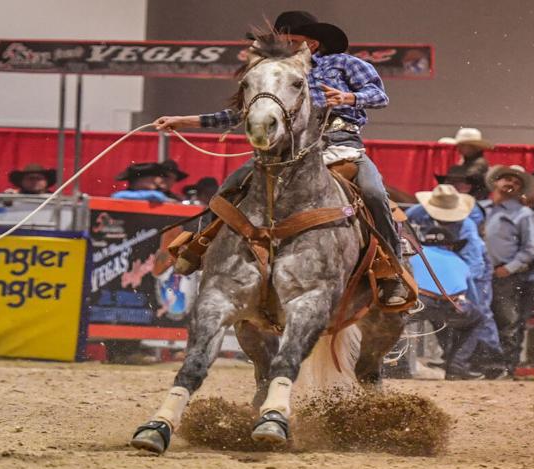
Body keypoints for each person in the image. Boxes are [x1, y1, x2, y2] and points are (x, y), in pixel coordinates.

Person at [153, 11, 412, 307]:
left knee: (374, 192)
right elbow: (243, 113)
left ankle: (391, 269)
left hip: (341, 146)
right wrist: (185, 121)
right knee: (230, 187)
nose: (283, 46)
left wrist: (348, 98)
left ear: (311, 44)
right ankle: (201, 244)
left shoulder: (345, 64)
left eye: (291, 41)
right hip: (287, 152)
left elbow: (379, 96)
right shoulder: (275, 73)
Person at [407, 184, 502, 380]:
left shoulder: (466, 228)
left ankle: (487, 359)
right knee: (474, 316)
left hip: (432, 283)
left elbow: (475, 265)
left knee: (398, 318)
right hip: (450, 286)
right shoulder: (416, 214)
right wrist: (461, 299)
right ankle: (457, 363)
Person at [482, 164, 534, 381]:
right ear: (496, 181)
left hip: (505, 274)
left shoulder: (524, 214)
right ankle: (483, 365)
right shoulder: (480, 208)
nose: (511, 184)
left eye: (516, 183)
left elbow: (529, 249)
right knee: (479, 319)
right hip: (479, 273)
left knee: (507, 321)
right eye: (507, 179)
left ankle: (506, 366)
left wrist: (509, 268)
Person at [112, 162, 182, 202]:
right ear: (139, 179)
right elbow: (119, 196)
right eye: (152, 176)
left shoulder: (158, 195)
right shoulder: (122, 195)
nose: (155, 179)